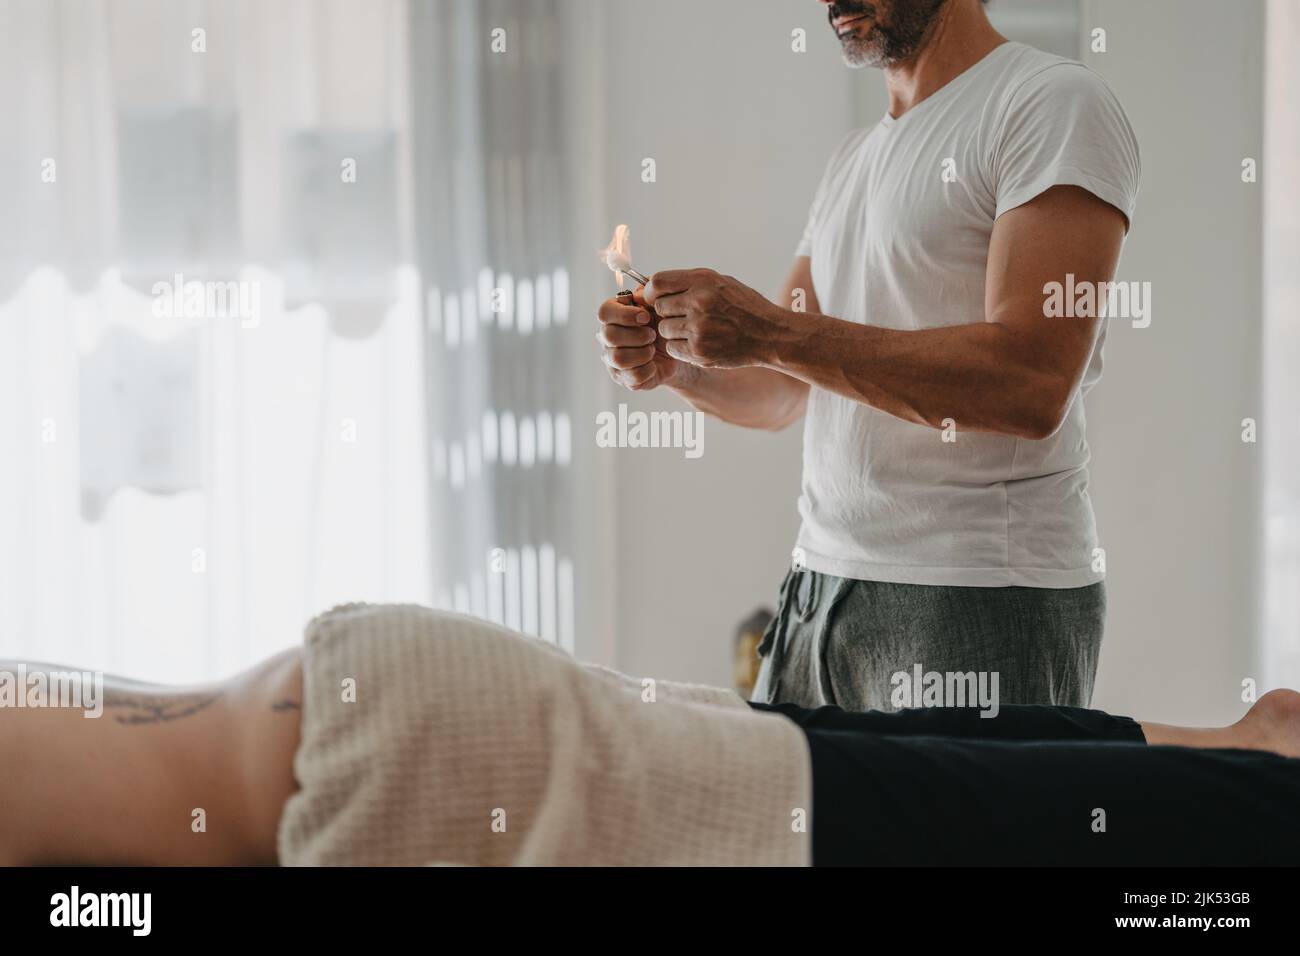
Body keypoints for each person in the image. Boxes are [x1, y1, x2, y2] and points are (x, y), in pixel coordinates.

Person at [595, 0, 1140, 711]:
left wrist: (766, 330)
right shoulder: (853, 158)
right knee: (794, 826)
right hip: (817, 593)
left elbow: (1031, 381)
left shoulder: (1051, 103)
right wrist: (680, 363)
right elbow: (785, 390)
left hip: (976, 596)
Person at [2, 605, 1297, 867]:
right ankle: (1244, 752)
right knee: (861, 775)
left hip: (388, 793)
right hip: (365, 704)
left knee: (907, 829)